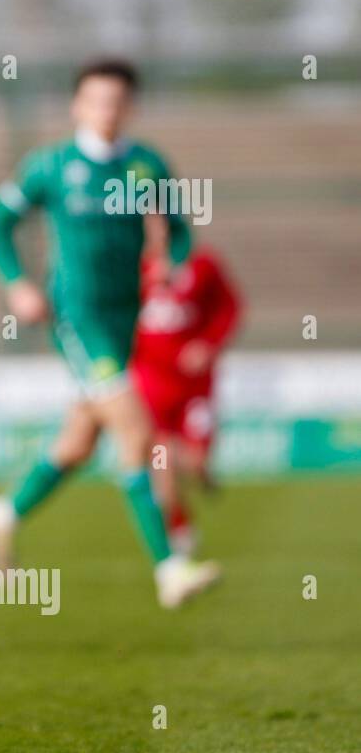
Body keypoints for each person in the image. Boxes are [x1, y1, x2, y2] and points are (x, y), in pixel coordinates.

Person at [0, 59, 221, 610]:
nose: (106, 111)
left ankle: (6, 512)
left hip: (123, 318)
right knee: (136, 432)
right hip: (76, 317)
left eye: (116, 101)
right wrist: (18, 284)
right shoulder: (53, 165)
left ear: (128, 107)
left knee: (81, 438)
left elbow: (179, 230)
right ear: (78, 106)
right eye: (96, 100)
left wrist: (175, 263)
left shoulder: (145, 164)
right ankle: (170, 566)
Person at [131, 215, 242, 556]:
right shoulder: (129, 268)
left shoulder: (202, 264)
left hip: (194, 386)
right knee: (159, 455)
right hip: (151, 381)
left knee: (193, 461)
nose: (154, 230)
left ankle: (200, 475)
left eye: (159, 222)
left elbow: (230, 308)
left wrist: (208, 344)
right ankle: (178, 530)